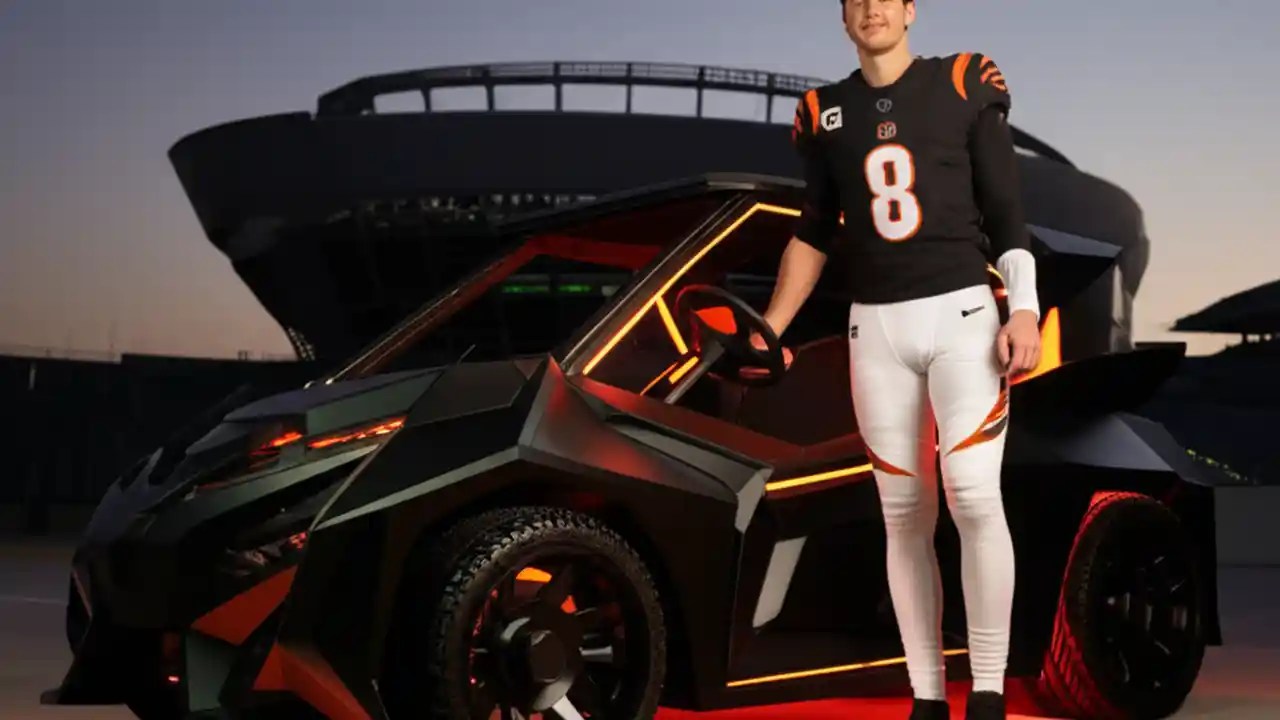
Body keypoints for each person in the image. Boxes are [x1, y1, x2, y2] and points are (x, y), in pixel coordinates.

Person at [748, 1, 1042, 718]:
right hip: (873, 327)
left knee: (972, 494)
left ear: (912, 9)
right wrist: (772, 328)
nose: (873, 8)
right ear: (843, 17)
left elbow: (1005, 210)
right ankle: (927, 697)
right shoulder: (824, 110)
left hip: (963, 315)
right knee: (904, 512)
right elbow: (813, 232)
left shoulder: (964, 81)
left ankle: (992, 690)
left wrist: (1024, 306)